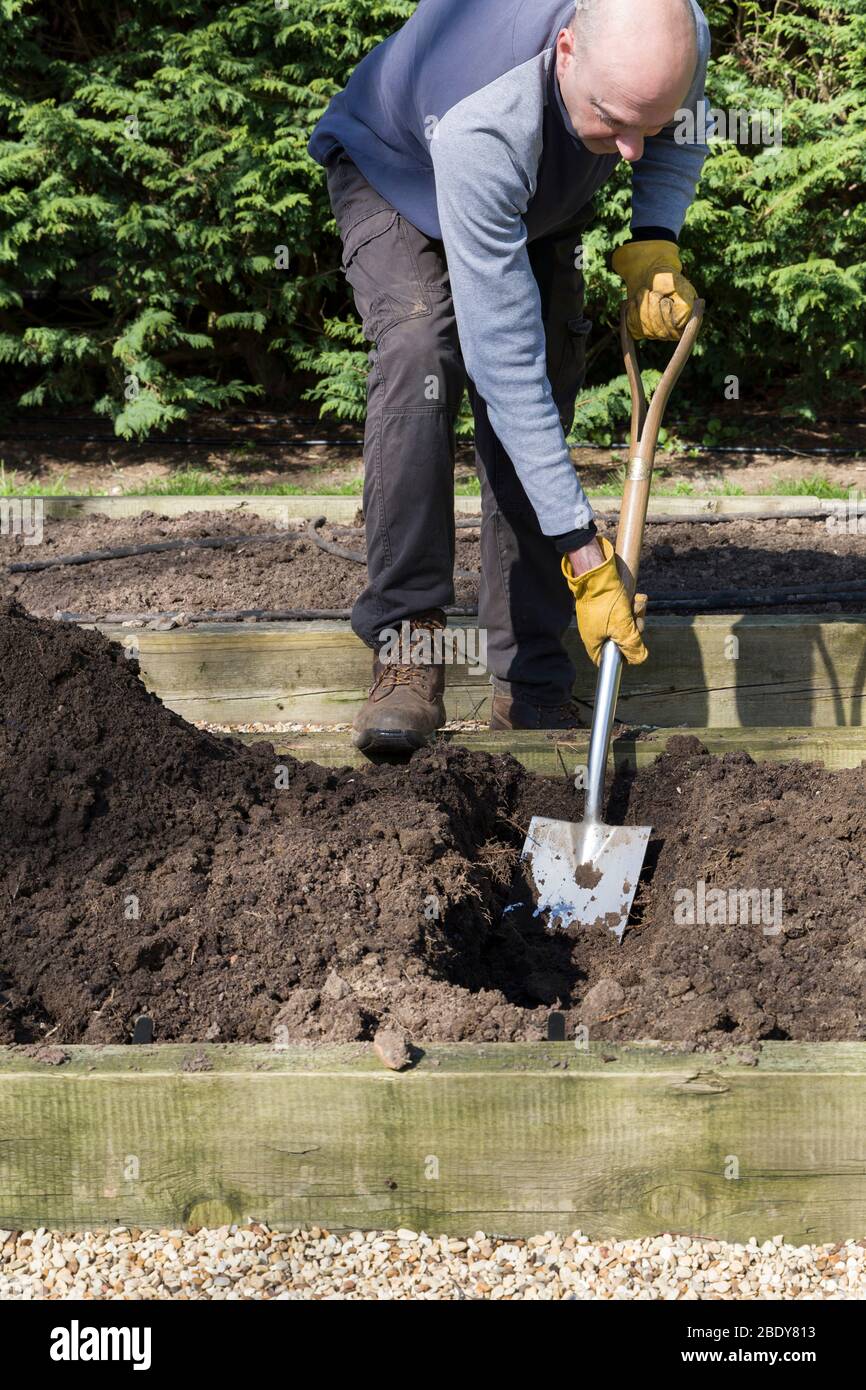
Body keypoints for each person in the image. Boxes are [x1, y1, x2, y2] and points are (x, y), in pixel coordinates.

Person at [308, 0, 710, 752]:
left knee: (553, 369)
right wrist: (587, 558)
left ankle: (529, 682)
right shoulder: (483, 119)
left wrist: (655, 240)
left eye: (644, 128)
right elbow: (503, 365)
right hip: (401, 168)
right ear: (565, 51)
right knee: (420, 346)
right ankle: (408, 647)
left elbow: (681, 130)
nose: (629, 152)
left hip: (531, 200)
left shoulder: (672, 28)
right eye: (615, 120)